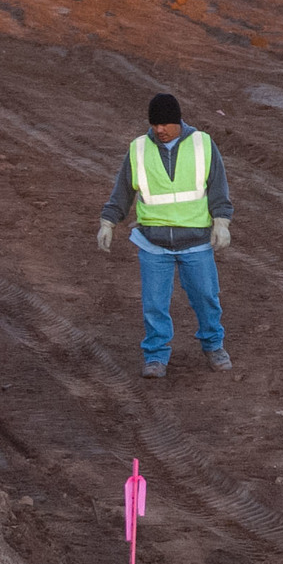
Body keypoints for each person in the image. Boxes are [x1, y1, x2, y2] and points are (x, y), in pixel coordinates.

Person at [97, 91, 233, 376]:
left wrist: (221, 222)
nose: (160, 130)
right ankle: (156, 355)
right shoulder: (138, 149)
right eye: (155, 124)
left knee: (206, 298)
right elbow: (122, 191)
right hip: (153, 243)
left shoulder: (202, 144)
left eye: (165, 124)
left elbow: (218, 187)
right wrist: (108, 222)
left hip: (196, 241)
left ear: (178, 121)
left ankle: (213, 345)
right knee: (154, 304)